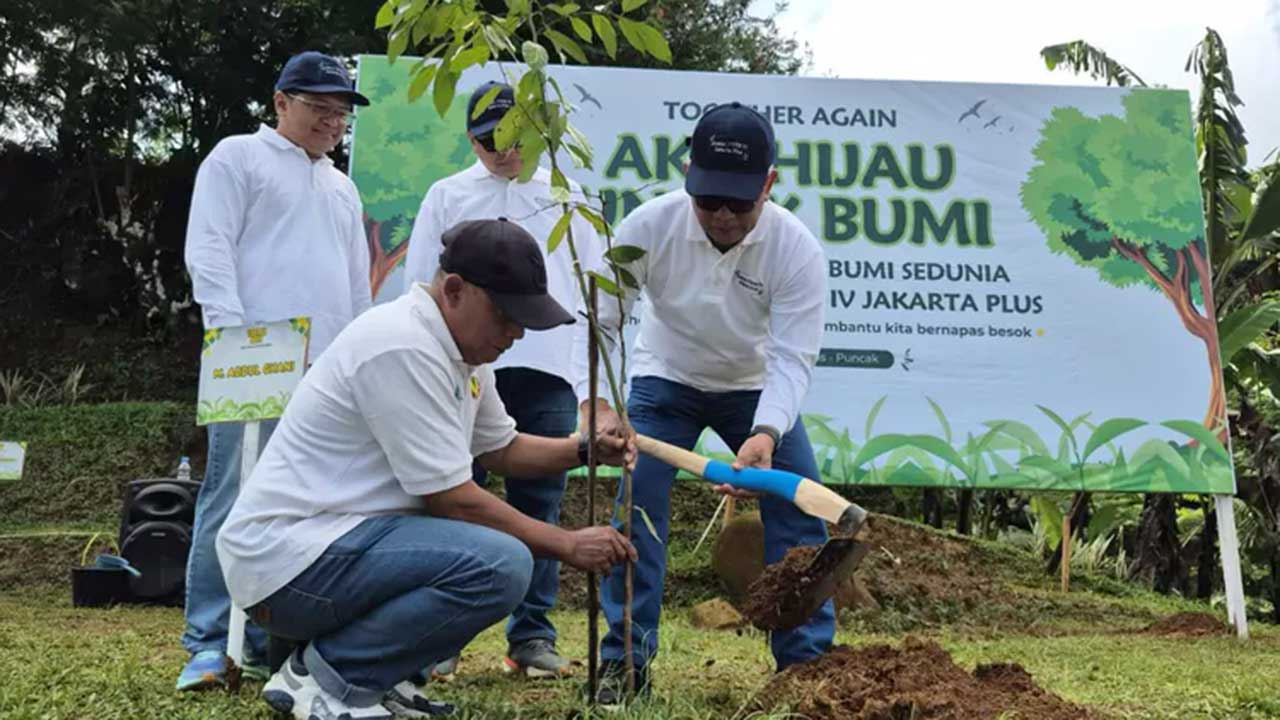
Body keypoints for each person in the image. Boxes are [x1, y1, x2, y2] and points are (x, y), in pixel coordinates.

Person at [217, 218, 638, 720]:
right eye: (506, 315)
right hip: (289, 563)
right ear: (455, 290)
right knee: (499, 565)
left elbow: (501, 450)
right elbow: (453, 500)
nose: (516, 333)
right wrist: (567, 544)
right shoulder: (401, 345)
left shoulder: (462, 352)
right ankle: (328, 678)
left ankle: (375, 680)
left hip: (337, 549)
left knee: (494, 559)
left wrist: (585, 451)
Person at [581, 103, 832, 704]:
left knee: (799, 515)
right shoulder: (647, 227)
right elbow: (602, 322)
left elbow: (793, 357)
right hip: (666, 380)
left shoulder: (797, 251)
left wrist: (767, 432)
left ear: (769, 185)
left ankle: (805, 671)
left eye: (739, 204)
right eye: (708, 199)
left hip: (754, 389)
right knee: (637, 505)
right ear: (688, 173)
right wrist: (598, 400)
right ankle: (624, 666)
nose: (722, 215)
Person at [401, 81, 609, 680]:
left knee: (541, 499)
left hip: (545, 366)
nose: (502, 152)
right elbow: (420, 284)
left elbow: (596, 292)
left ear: (535, 133)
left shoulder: (567, 198)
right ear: (470, 139)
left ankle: (532, 635)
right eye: (488, 140)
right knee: (452, 498)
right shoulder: (448, 195)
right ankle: (442, 634)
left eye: (513, 138)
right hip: (467, 368)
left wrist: (585, 387)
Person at [179, 50, 373, 690]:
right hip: (251, 358)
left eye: (340, 112)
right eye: (319, 107)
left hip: (325, 374)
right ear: (280, 102)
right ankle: (209, 642)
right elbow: (208, 250)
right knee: (231, 495)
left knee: (309, 507)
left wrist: (354, 358)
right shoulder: (237, 157)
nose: (331, 122)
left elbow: (354, 287)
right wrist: (233, 339)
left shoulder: (342, 185)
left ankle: (271, 642)